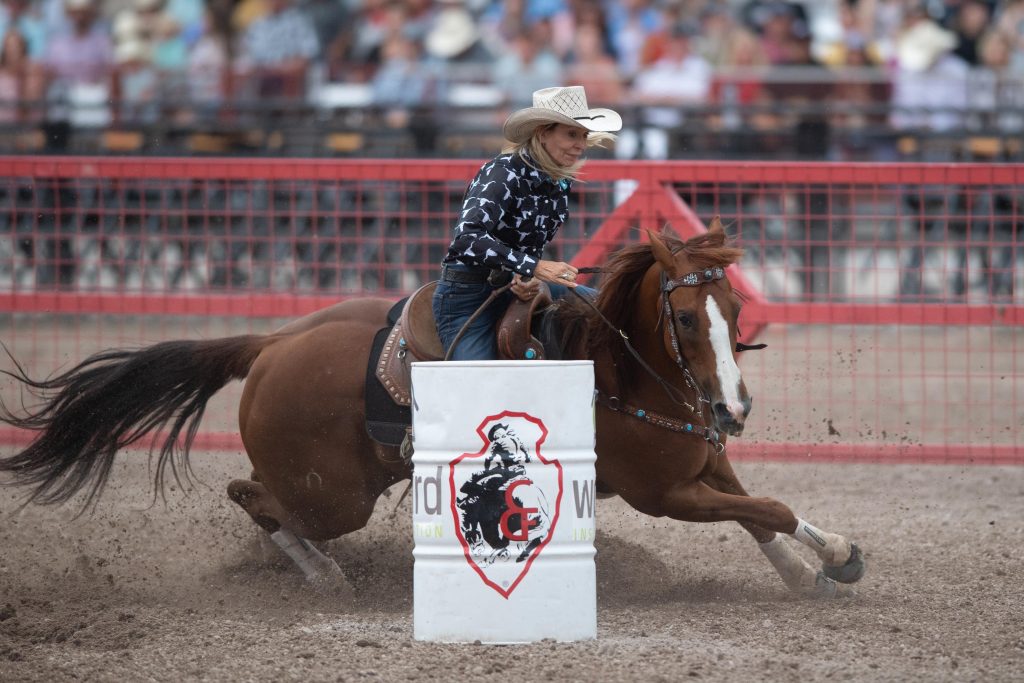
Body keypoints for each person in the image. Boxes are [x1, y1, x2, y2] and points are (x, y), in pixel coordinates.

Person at [431, 84, 621, 361]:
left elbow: (525, 254)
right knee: (477, 385)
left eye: (583, 135)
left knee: (610, 312)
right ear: (543, 133)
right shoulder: (503, 172)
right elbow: (467, 239)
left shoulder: (558, 182)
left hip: (508, 287)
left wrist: (526, 276)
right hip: (468, 297)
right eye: (571, 134)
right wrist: (536, 267)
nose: (581, 145)